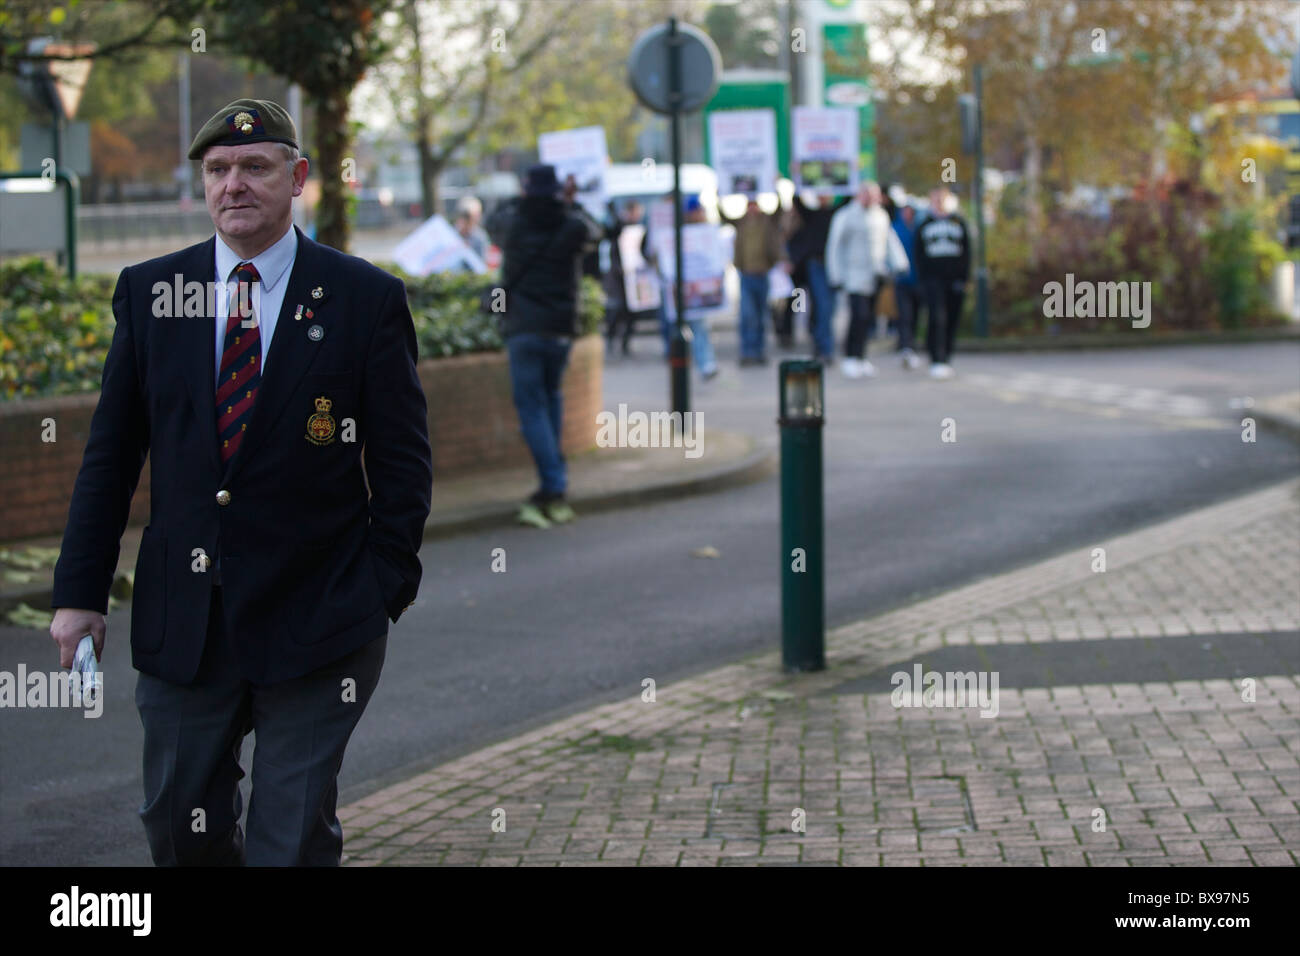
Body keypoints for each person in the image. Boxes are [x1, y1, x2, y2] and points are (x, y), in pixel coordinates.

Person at [47, 98, 434, 866]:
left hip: (319, 618)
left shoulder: (363, 299)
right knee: (175, 824)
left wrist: (382, 585)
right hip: (186, 623)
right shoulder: (153, 291)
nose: (234, 184)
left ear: (297, 179)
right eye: (218, 170)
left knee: (287, 842)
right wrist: (78, 593)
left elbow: (403, 465)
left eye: (255, 167)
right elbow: (111, 455)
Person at [485, 164, 601, 528]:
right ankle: (555, 480)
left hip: (524, 328)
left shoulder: (514, 224)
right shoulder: (571, 224)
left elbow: (492, 219)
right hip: (560, 330)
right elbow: (598, 231)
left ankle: (553, 486)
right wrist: (571, 203)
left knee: (532, 407)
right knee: (551, 398)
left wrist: (522, 196)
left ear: (525, 190)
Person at [824, 181, 908, 379]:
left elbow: (889, 241)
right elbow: (835, 247)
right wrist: (836, 274)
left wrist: (900, 263)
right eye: (866, 194)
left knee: (869, 318)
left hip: (875, 275)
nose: (870, 198)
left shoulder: (880, 216)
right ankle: (850, 357)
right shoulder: (845, 216)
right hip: (853, 275)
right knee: (858, 316)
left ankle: (861, 357)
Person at [650, 195, 720, 380]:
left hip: (696, 288)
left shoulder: (705, 231)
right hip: (677, 288)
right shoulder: (673, 231)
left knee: (699, 326)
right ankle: (679, 361)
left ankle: (705, 363)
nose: (700, 214)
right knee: (675, 326)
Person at [719, 197, 786, 366]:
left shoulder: (767, 221)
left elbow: (779, 210)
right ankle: (747, 352)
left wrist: (776, 188)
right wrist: (718, 197)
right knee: (747, 315)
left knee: (761, 315)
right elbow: (724, 217)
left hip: (763, 273)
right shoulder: (741, 223)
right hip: (746, 274)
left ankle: (759, 351)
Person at [914, 186, 971, 379]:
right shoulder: (924, 224)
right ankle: (936, 357)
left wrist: (964, 278)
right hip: (932, 279)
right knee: (937, 317)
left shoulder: (958, 222)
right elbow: (918, 254)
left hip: (954, 279)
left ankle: (946, 356)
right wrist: (922, 279)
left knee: (952, 317)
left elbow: (967, 251)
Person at [789, 191, 848, 363]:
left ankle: (822, 343)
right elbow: (797, 201)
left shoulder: (836, 213)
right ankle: (824, 348)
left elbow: (847, 197)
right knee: (823, 306)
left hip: (834, 266)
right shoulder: (812, 215)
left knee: (829, 308)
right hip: (817, 265)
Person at [892, 202, 924, 370]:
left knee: (915, 314)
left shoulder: (919, 228)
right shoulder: (895, 228)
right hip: (902, 280)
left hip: (918, 280)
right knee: (904, 315)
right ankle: (905, 346)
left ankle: (911, 343)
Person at [454, 195, 490, 261]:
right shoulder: (450, 234)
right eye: (463, 215)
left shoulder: (480, 237)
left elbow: (481, 264)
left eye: (468, 217)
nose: (465, 220)